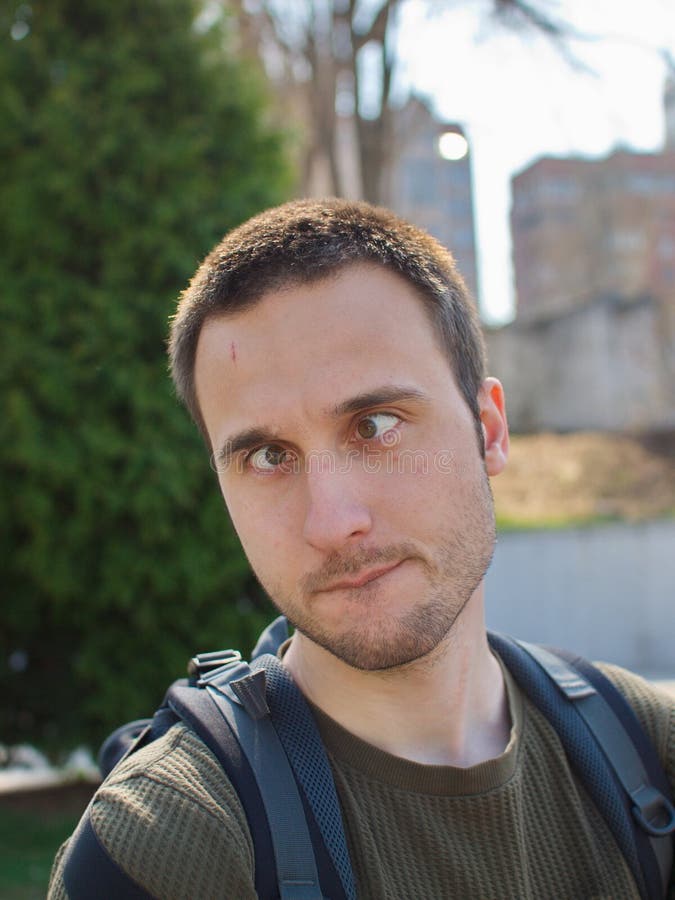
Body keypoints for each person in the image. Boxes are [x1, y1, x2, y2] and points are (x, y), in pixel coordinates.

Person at [49, 198, 674, 899]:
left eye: (374, 425)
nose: (331, 520)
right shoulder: (166, 845)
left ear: (488, 429)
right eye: (266, 456)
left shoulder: (645, 750)